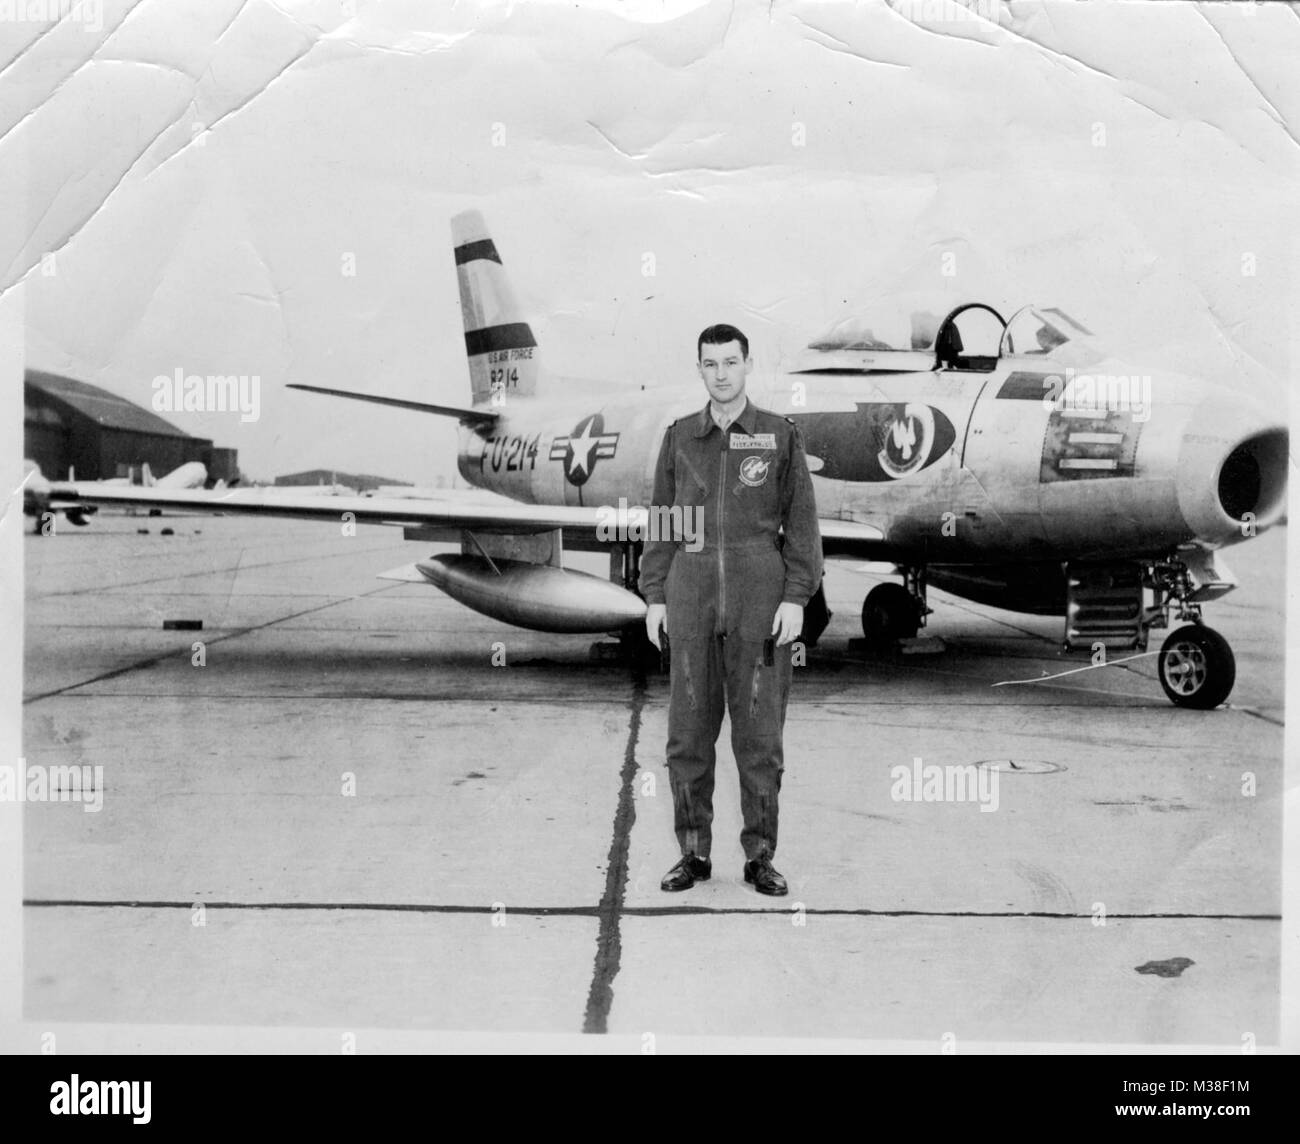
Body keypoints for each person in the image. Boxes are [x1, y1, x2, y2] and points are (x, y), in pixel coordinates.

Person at [640, 324, 823, 896]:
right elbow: (666, 522)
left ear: (748, 365)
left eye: (730, 362)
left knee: (759, 740)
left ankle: (760, 856)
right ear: (699, 369)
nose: (720, 373)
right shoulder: (681, 439)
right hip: (692, 597)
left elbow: (803, 526)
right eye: (709, 364)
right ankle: (692, 854)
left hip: (759, 605)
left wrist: (796, 596)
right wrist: (655, 596)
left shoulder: (776, 437)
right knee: (687, 738)